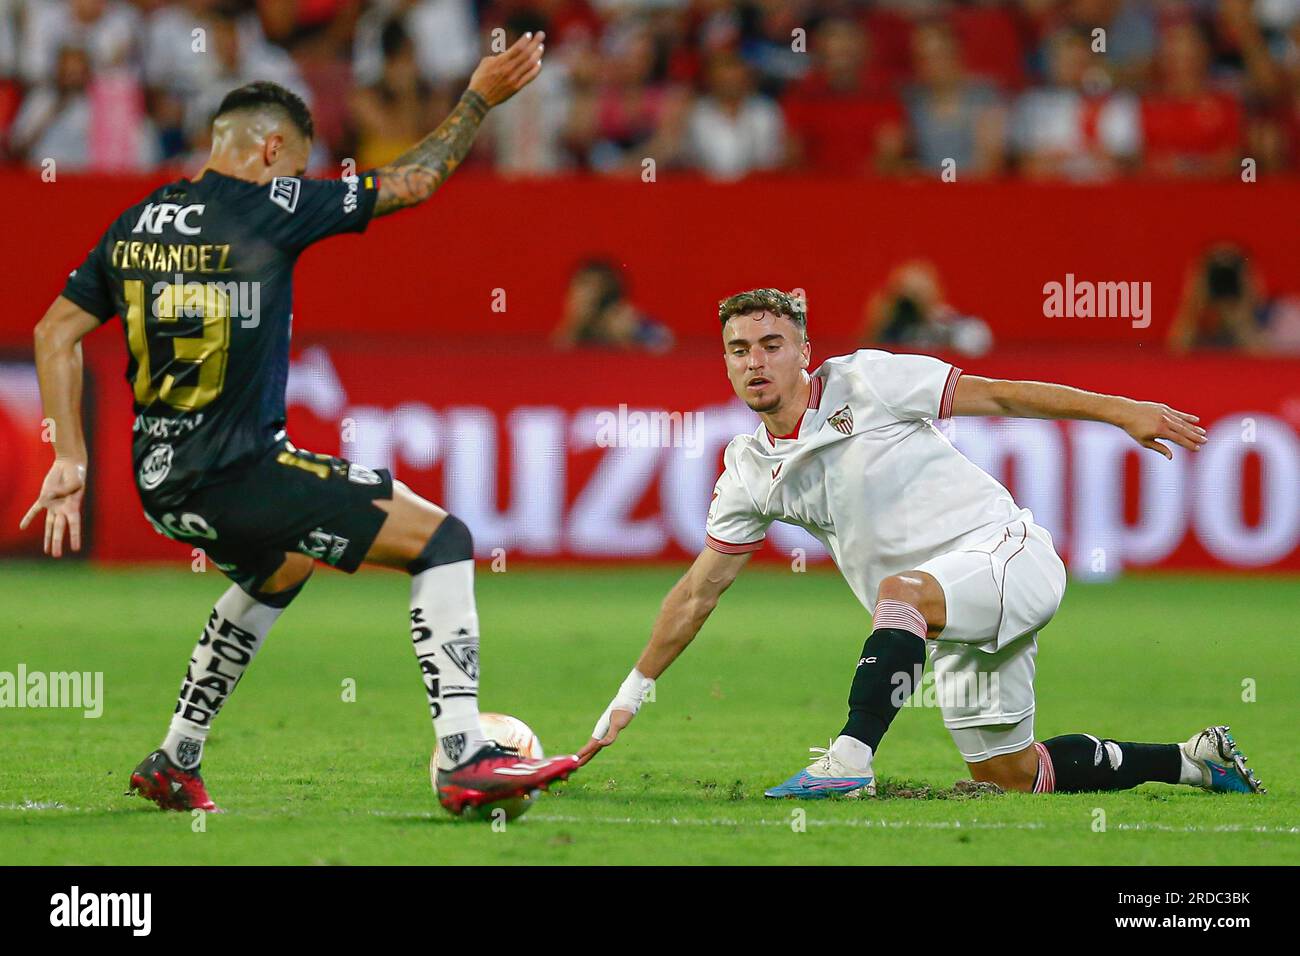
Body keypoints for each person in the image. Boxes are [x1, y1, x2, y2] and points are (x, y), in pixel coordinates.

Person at [21, 33, 581, 814]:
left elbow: (53, 334)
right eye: (298, 164)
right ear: (273, 148)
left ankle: (176, 758)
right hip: (240, 470)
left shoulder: (136, 222)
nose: (301, 179)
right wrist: (478, 97)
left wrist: (69, 459)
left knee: (279, 569)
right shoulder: (272, 204)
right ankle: (464, 755)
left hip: (161, 482)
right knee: (442, 540)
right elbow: (414, 181)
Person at [579, 288, 1265, 799]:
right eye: (738, 349)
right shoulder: (750, 471)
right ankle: (1194, 761)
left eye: (770, 345)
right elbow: (700, 592)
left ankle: (848, 760)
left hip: (1008, 555)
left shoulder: (868, 380)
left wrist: (1121, 410)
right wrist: (631, 693)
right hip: (943, 617)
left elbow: (998, 398)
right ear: (725, 363)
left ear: (804, 353)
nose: (755, 361)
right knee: (1011, 773)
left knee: (900, 593)